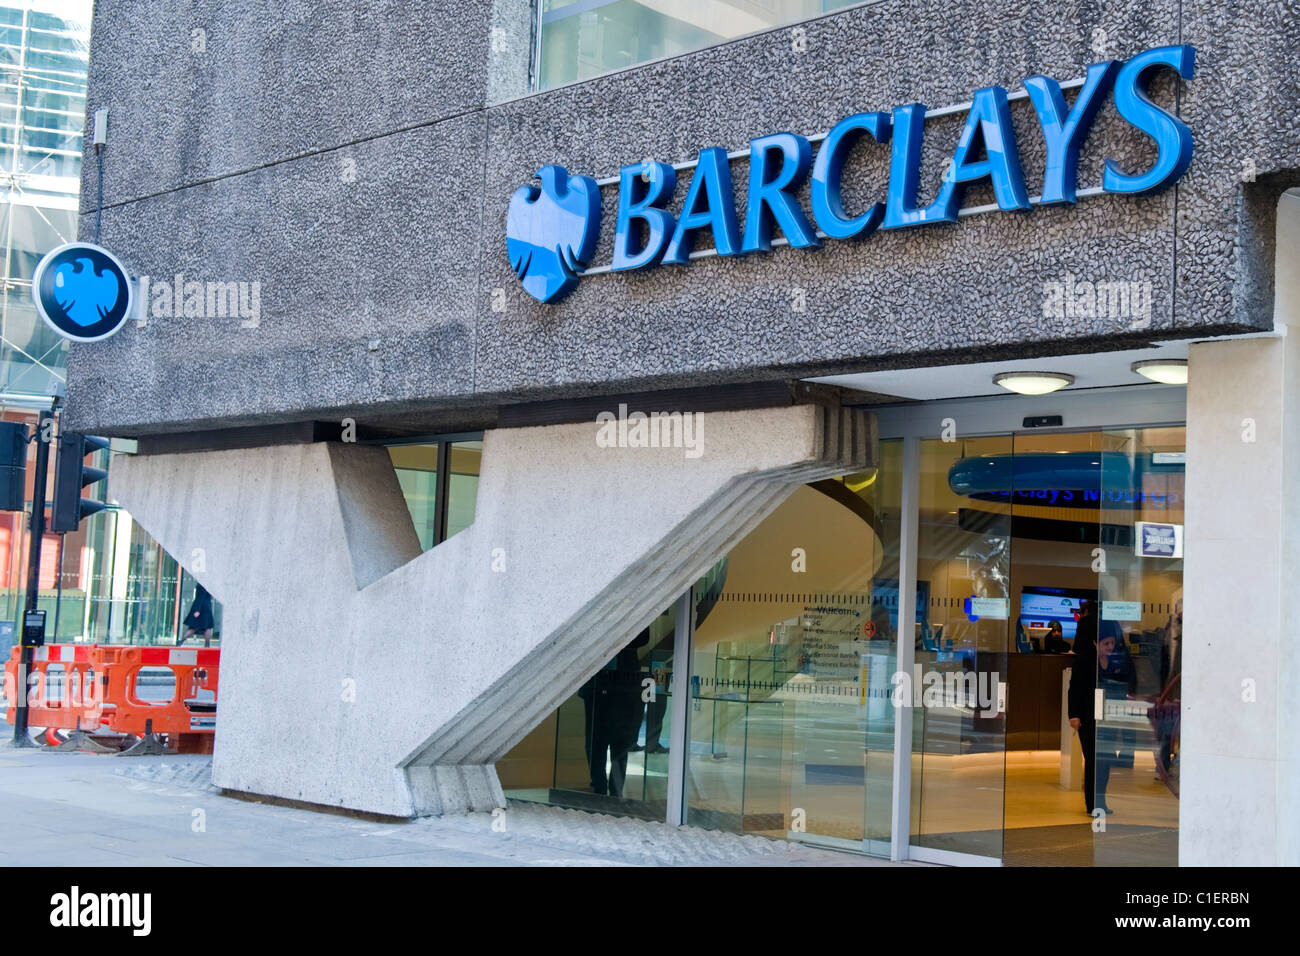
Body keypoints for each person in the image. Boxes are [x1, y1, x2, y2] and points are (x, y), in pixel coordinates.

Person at [1067, 599, 1103, 814]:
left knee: (1098, 760)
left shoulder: (1107, 658)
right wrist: (1074, 714)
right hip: (1088, 715)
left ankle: (1099, 802)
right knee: (1092, 758)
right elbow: (1075, 688)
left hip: (1098, 713)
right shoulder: (1086, 659)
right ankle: (1093, 804)